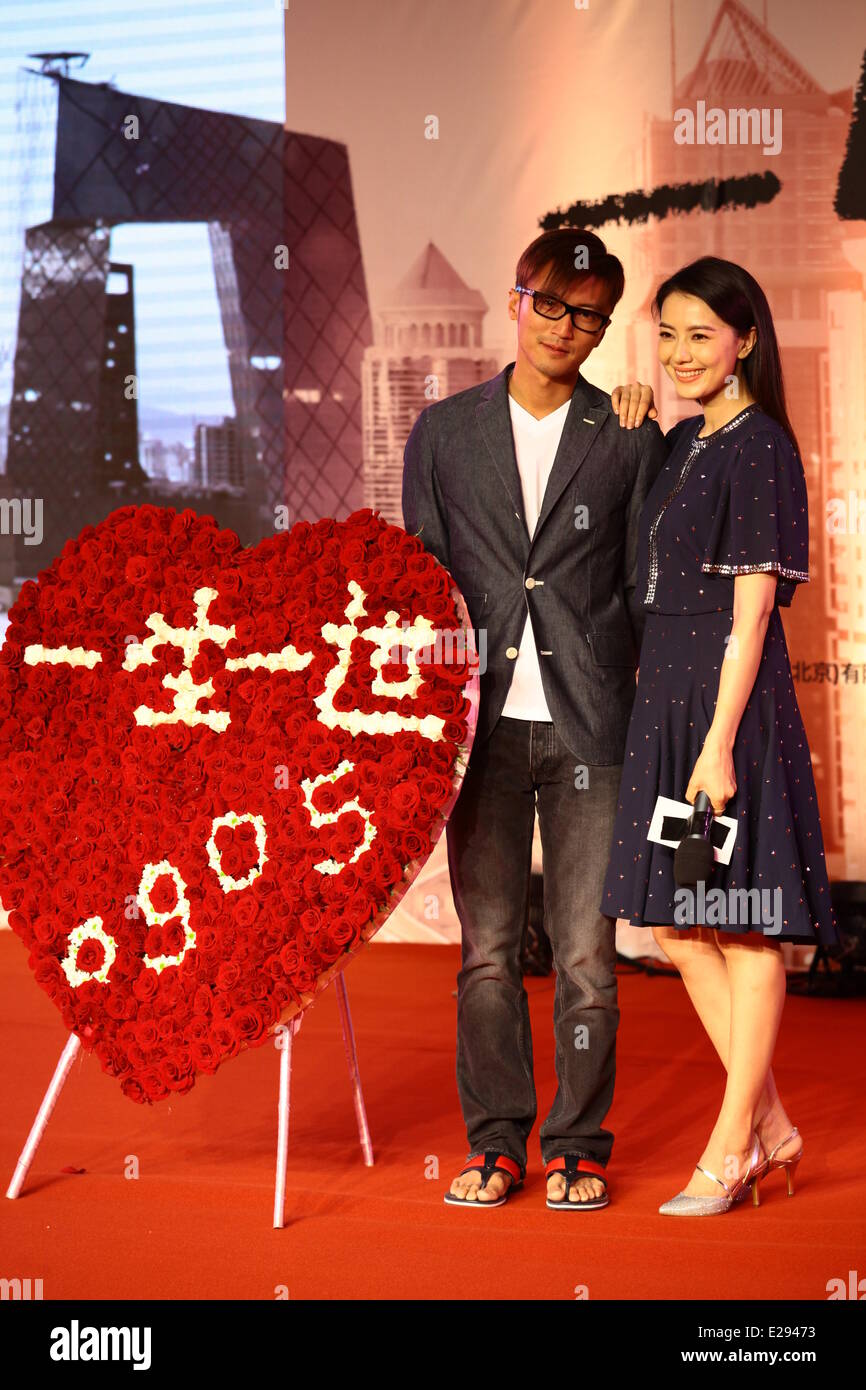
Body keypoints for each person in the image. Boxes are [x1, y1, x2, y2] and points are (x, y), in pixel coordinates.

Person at [402, 228, 667, 1209]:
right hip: (478, 730)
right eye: (550, 305)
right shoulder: (441, 431)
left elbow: (643, 580)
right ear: (515, 302)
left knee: (589, 955)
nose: (566, 327)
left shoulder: (626, 431)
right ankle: (496, 1140)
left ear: (602, 328)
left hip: (591, 723)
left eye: (588, 315)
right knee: (485, 951)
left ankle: (578, 1144)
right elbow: (418, 579)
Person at [600, 255, 840, 1215]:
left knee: (744, 931)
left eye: (702, 334)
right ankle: (773, 1123)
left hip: (723, 708)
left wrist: (716, 745)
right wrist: (627, 411)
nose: (681, 353)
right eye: (666, 334)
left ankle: (732, 1145)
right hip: (668, 696)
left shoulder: (761, 447)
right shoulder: (682, 440)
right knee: (675, 922)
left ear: (745, 341)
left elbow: (752, 617)